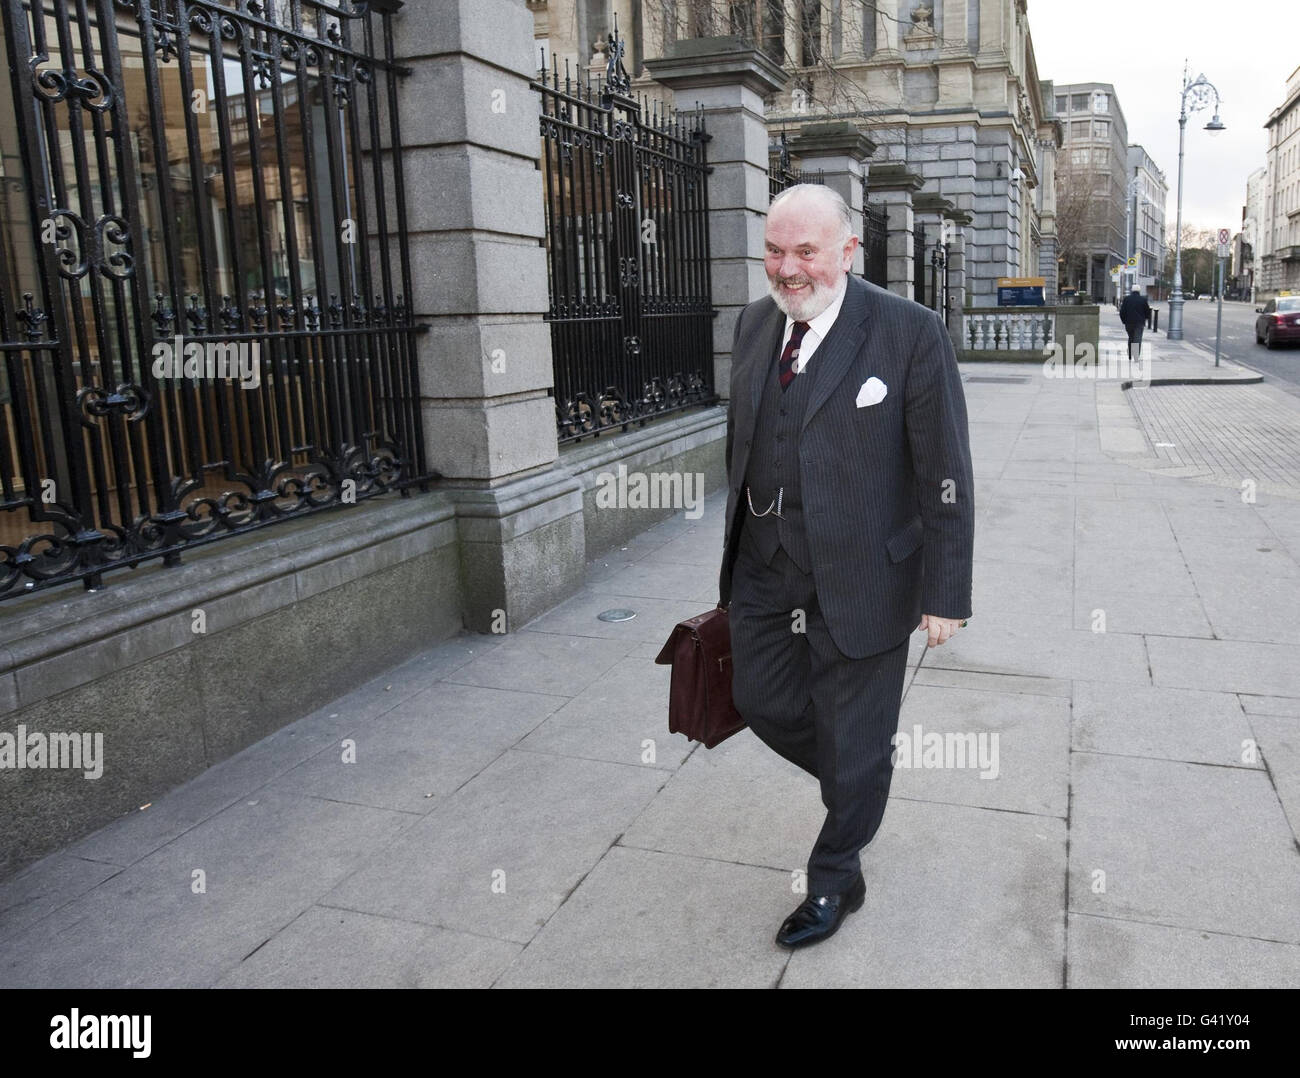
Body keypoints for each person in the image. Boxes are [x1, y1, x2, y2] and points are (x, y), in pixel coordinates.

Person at [717, 185, 975, 949]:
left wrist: (945, 592)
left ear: (846, 251)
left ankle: (835, 877)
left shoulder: (909, 333)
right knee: (759, 699)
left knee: (856, 735)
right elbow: (747, 443)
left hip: (868, 575)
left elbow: (945, 472)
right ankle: (860, 772)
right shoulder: (755, 322)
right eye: (774, 250)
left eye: (805, 252)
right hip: (765, 564)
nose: (788, 269)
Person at [1119, 285, 1152, 360]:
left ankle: (1130, 354)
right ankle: (1136, 356)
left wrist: (1124, 321)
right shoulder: (1143, 299)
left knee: (1131, 337)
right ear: (1139, 291)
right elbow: (1147, 311)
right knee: (1138, 338)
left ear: (1132, 290)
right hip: (1139, 322)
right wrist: (1146, 318)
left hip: (1129, 322)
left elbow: (1122, 312)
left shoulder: (1127, 299)